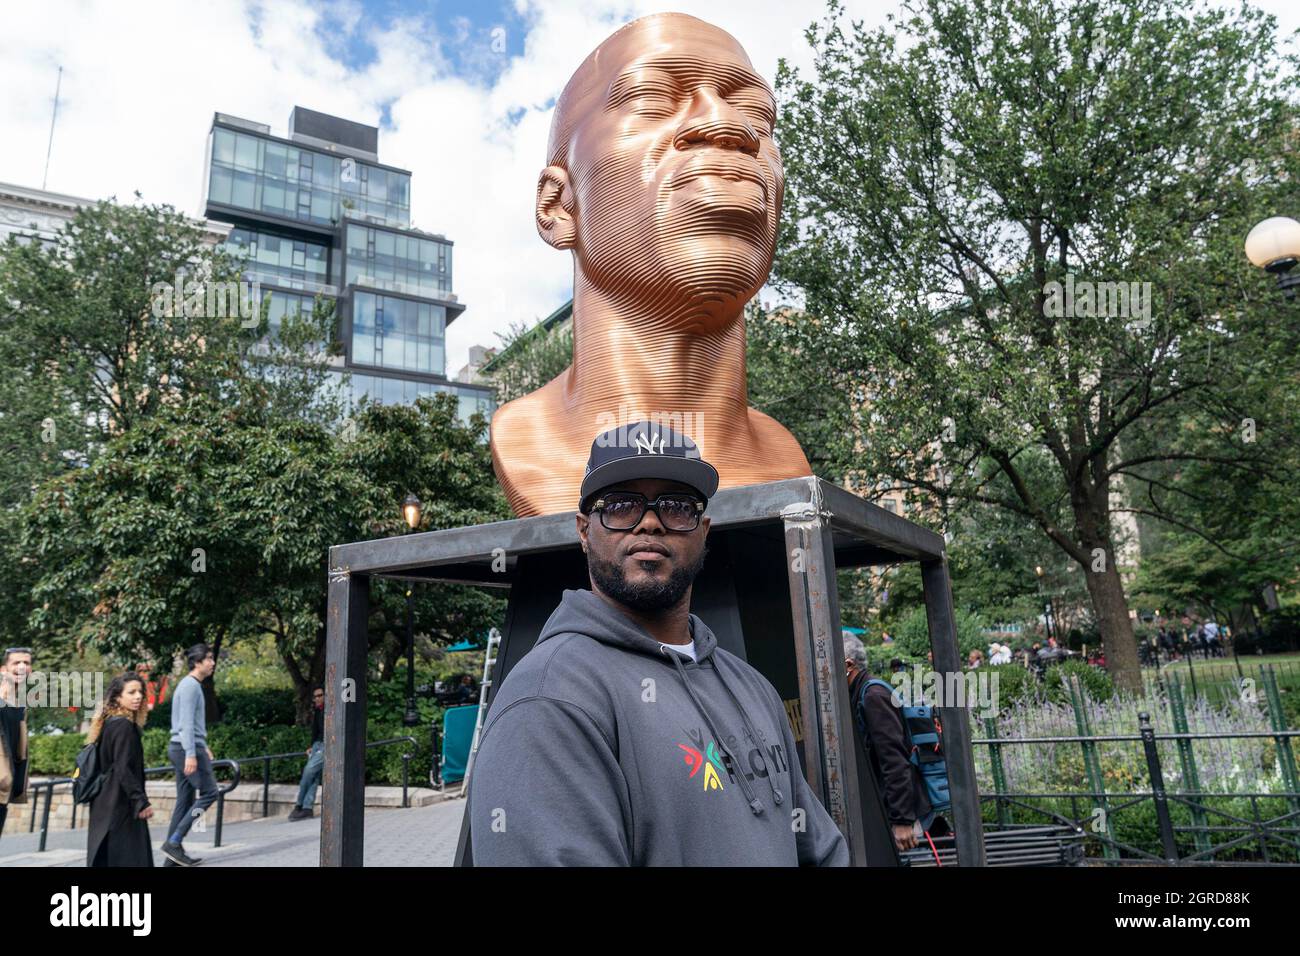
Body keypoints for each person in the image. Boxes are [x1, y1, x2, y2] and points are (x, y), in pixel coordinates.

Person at [469, 421, 848, 866]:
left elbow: (822, 851)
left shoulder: (750, 687)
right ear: (584, 530)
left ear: (703, 530)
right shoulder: (548, 698)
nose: (649, 522)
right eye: (622, 505)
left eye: (676, 506)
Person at [843, 638, 949, 854]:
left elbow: (894, 760)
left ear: (847, 665)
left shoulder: (873, 697)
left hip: (900, 817)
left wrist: (901, 821)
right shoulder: (863, 692)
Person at [86, 673, 154, 866]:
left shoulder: (110, 723)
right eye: (131, 692)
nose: (138, 696)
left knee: (109, 856)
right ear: (118, 697)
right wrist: (140, 801)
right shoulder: (123, 725)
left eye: (140, 692)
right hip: (121, 802)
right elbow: (123, 768)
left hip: (107, 800)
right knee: (128, 856)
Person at [161, 643, 219, 866]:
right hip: (185, 747)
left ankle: (171, 858)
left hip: (185, 746)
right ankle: (174, 841)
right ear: (197, 662)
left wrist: (202, 745)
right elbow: (185, 724)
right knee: (209, 793)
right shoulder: (190, 686)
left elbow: (190, 724)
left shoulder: (191, 685)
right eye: (209, 659)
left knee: (184, 800)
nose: (212, 663)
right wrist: (192, 753)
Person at [0, 647, 33, 842]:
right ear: (4, 669)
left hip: (4, 788)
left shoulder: (20, 704)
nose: (22, 667)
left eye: (27, 663)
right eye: (16, 663)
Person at [289, 686, 326, 821]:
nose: (317, 698)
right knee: (314, 777)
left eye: (320, 695)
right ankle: (307, 809)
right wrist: (311, 746)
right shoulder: (317, 711)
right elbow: (315, 731)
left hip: (327, 746)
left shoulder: (330, 711)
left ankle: (299, 805)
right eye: (315, 696)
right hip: (317, 745)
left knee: (309, 771)